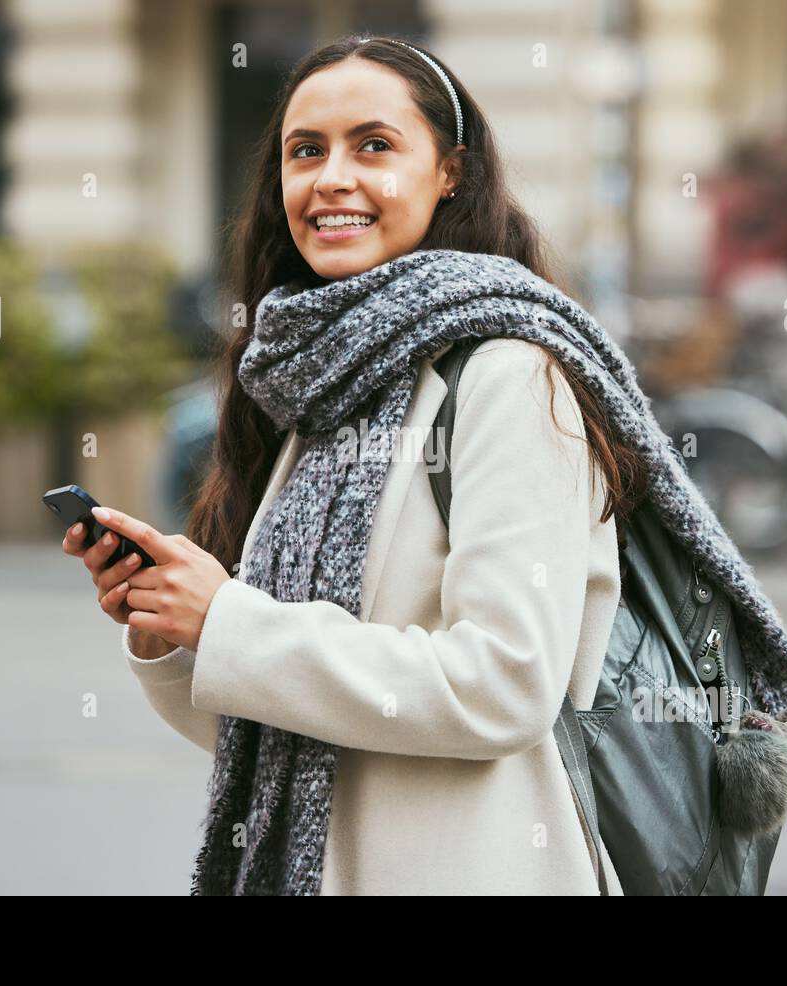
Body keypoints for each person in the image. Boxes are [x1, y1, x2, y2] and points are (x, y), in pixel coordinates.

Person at [64, 35, 655, 895]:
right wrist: (175, 638)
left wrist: (229, 620)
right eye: (306, 151)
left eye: (373, 145)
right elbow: (291, 723)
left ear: (450, 172)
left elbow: (505, 683)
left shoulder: (508, 377)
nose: (331, 178)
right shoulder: (316, 390)